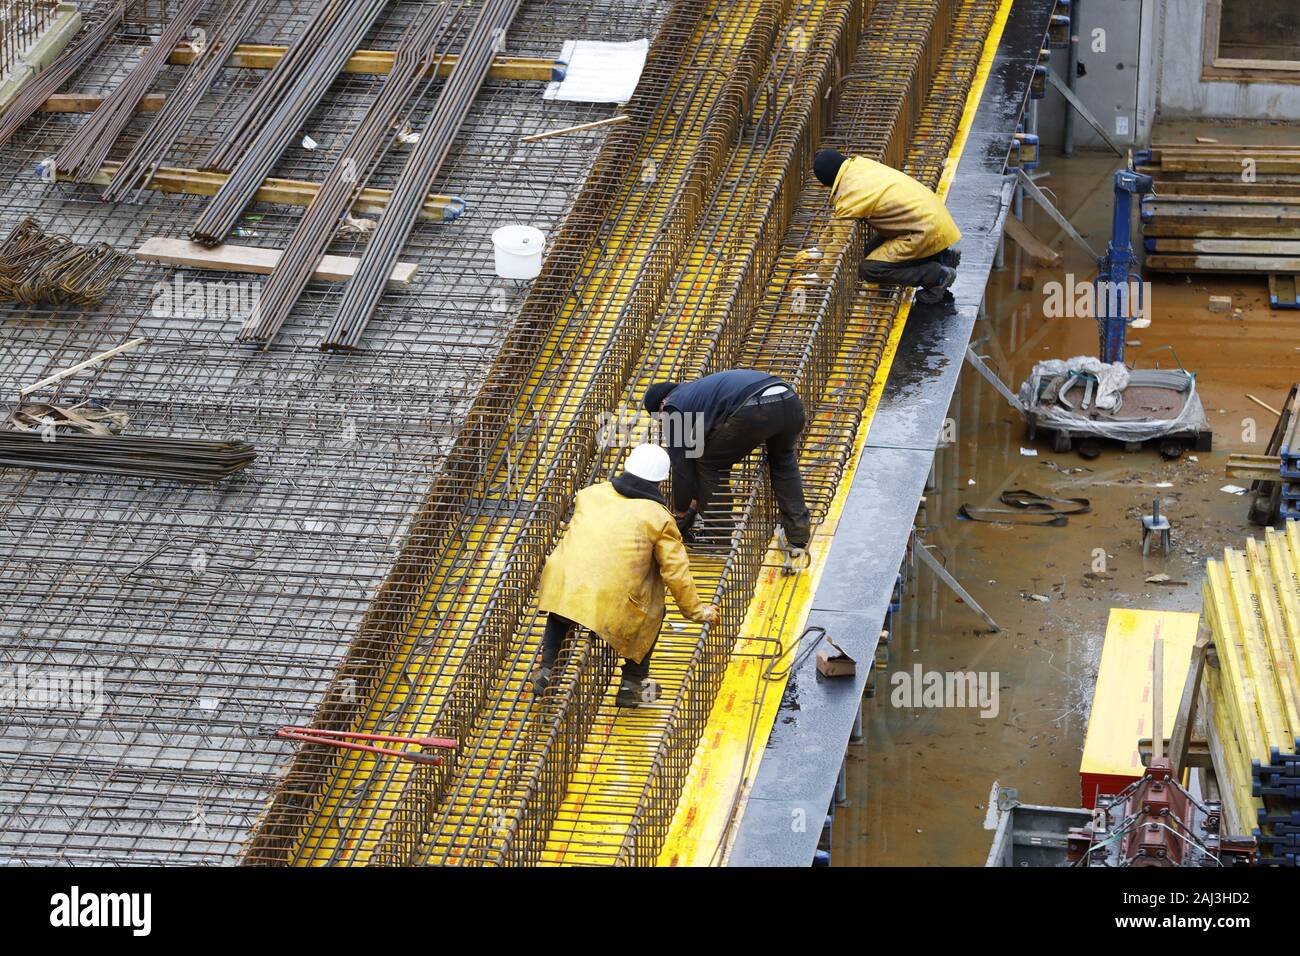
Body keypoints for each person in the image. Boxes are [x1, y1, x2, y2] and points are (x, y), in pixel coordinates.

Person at [534, 443, 718, 708]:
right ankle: (632, 685)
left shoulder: (590, 494)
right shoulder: (659, 518)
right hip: (612, 597)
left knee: (568, 598)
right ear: (660, 480)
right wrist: (697, 612)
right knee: (653, 610)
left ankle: (548, 668)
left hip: (560, 581)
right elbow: (675, 573)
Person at [642, 370, 811, 553]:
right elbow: (692, 450)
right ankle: (798, 536)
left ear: (662, 403)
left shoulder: (673, 406)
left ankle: (718, 535)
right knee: (783, 462)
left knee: (709, 463)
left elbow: (682, 465)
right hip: (788, 398)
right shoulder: (695, 395)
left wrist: (681, 511)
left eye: (658, 417)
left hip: (755, 407)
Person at [813, 148, 961, 304]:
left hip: (925, 231)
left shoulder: (848, 194)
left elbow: (839, 243)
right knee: (870, 252)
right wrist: (819, 249)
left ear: (827, 183)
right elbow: (837, 219)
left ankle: (937, 276)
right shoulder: (860, 165)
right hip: (934, 218)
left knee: (870, 269)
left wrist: (820, 276)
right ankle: (941, 255)